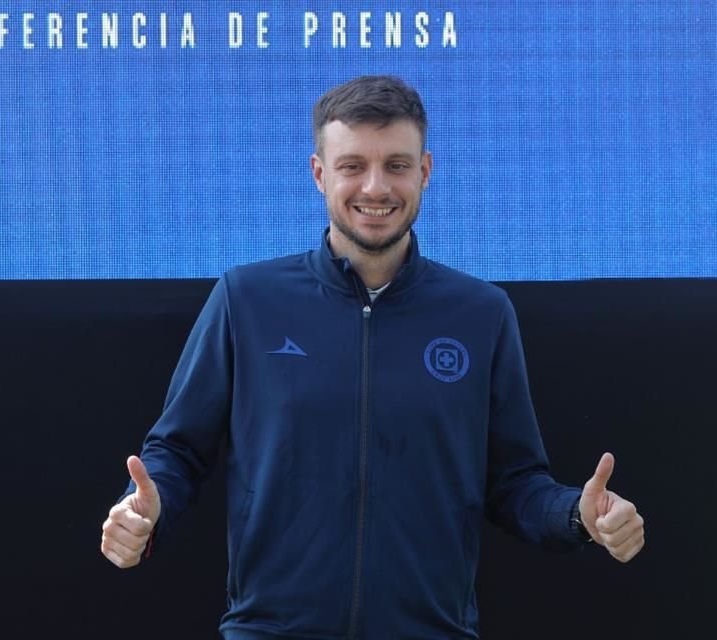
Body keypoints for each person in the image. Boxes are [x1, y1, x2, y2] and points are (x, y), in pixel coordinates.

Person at [100, 75, 645, 639]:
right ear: (319, 174)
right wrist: (145, 507)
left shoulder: (481, 313)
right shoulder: (247, 300)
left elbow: (513, 482)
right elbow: (179, 450)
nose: (376, 187)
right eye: (352, 165)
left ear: (425, 171)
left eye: (397, 165)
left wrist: (579, 516)